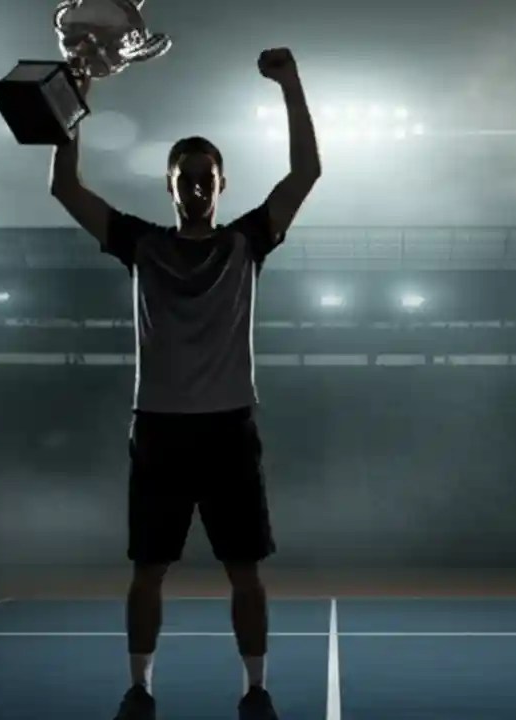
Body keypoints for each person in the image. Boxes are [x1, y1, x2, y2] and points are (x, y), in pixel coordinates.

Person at [49, 48, 321, 720]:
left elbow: (307, 171)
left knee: (245, 571)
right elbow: (64, 187)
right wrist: (71, 100)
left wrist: (291, 84)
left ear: (222, 184)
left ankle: (255, 692)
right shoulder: (140, 244)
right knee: (148, 570)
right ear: (169, 186)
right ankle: (139, 689)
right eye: (184, 177)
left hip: (229, 425)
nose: (196, 187)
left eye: (206, 177)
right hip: (161, 428)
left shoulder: (246, 242)